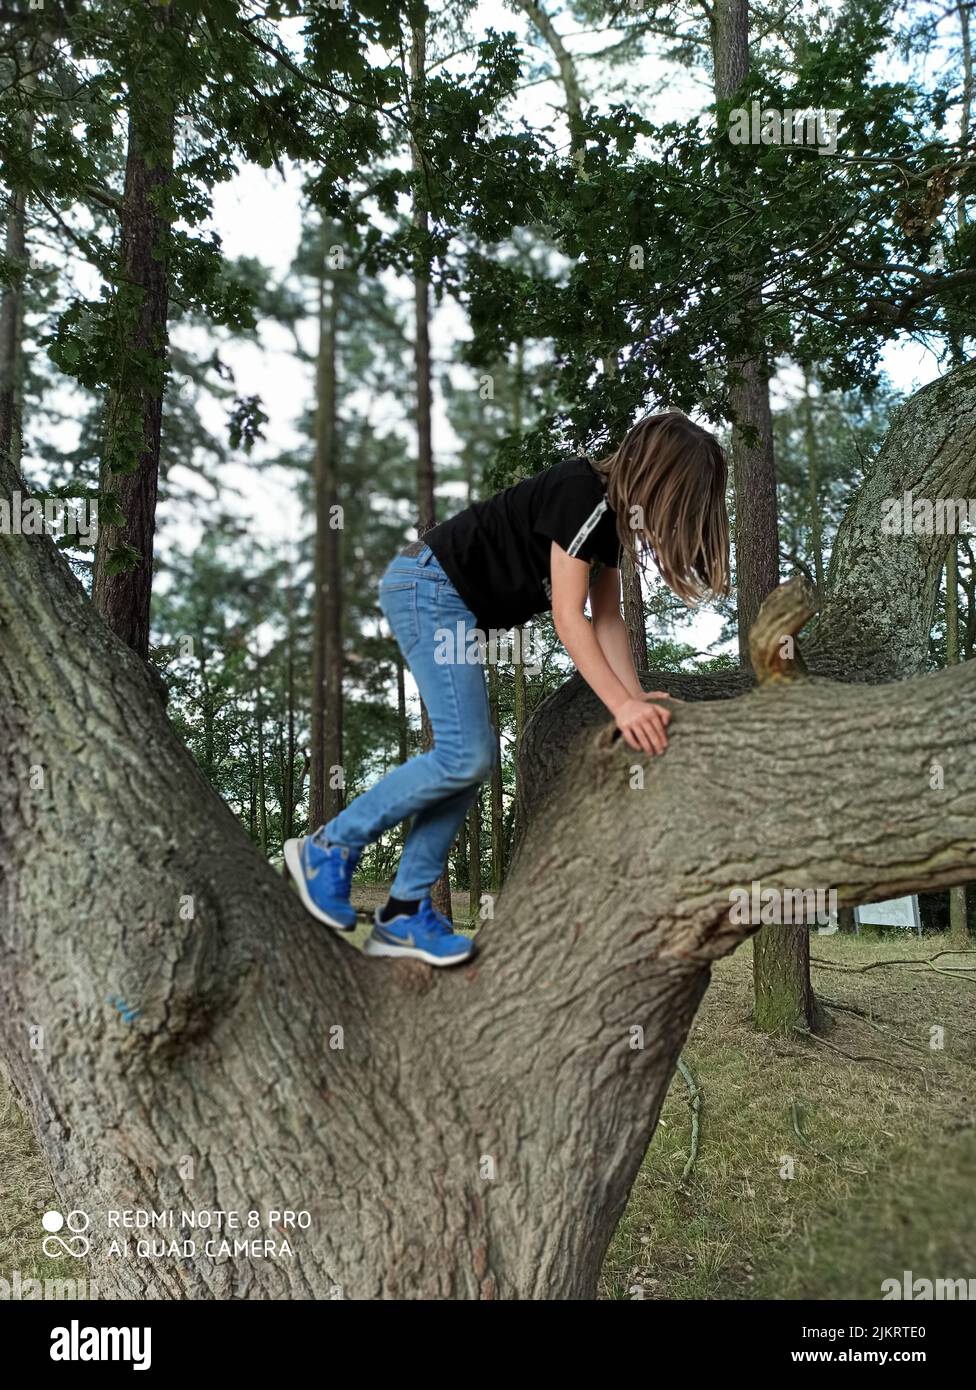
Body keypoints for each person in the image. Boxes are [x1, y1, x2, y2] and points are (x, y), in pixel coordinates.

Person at [284, 410, 730, 966]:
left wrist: (634, 699)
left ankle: (404, 913)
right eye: (680, 503)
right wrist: (619, 704)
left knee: (470, 760)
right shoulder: (579, 492)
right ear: (660, 482)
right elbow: (571, 618)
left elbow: (609, 617)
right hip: (427, 585)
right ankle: (327, 851)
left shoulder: (609, 523)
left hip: (453, 607)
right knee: (464, 753)